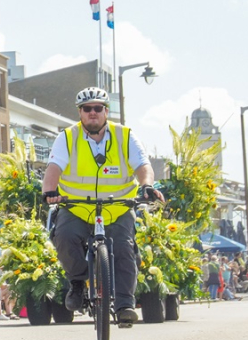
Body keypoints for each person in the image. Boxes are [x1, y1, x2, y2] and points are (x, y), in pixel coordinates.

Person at [42, 87, 163, 325]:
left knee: (124, 249)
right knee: (64, 236)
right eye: (87, 109)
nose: (93, 113)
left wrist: (146, 186)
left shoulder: (125, 135)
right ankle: (77, 282)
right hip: (77, 208)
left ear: (106, 111)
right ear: (80, 113)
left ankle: (125, 305)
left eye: (98, 108)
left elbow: (142, 165)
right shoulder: (67, 137)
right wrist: (50, 191)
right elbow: (53, 168)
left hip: (117, 208)